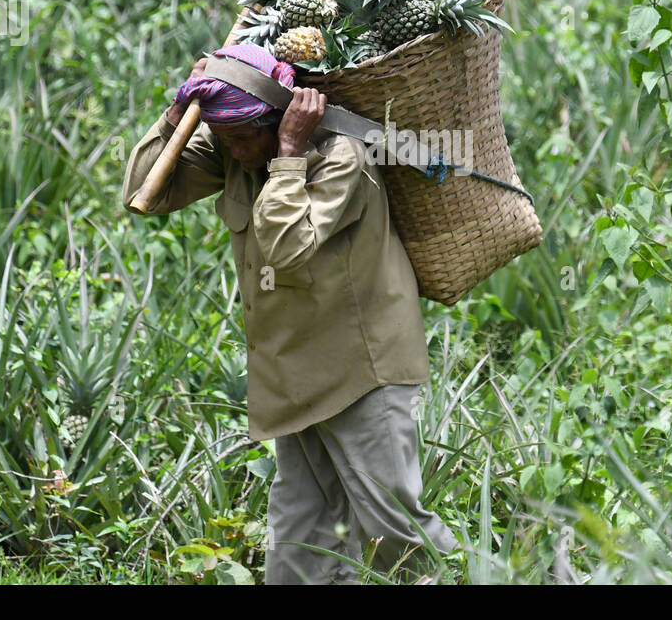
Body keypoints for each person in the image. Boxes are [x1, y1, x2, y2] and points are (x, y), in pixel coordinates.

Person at [121, 43, 458, 584]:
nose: (232, 150)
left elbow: (285, 245)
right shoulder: (238, 141)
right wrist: (178, 114)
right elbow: (145, 188)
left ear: (277, 118)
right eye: (223, 139)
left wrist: (289, 152)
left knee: (393, 528)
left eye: (241, 138)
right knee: (300, 538)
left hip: (360, 371)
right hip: (295, 375)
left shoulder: (340, 153)